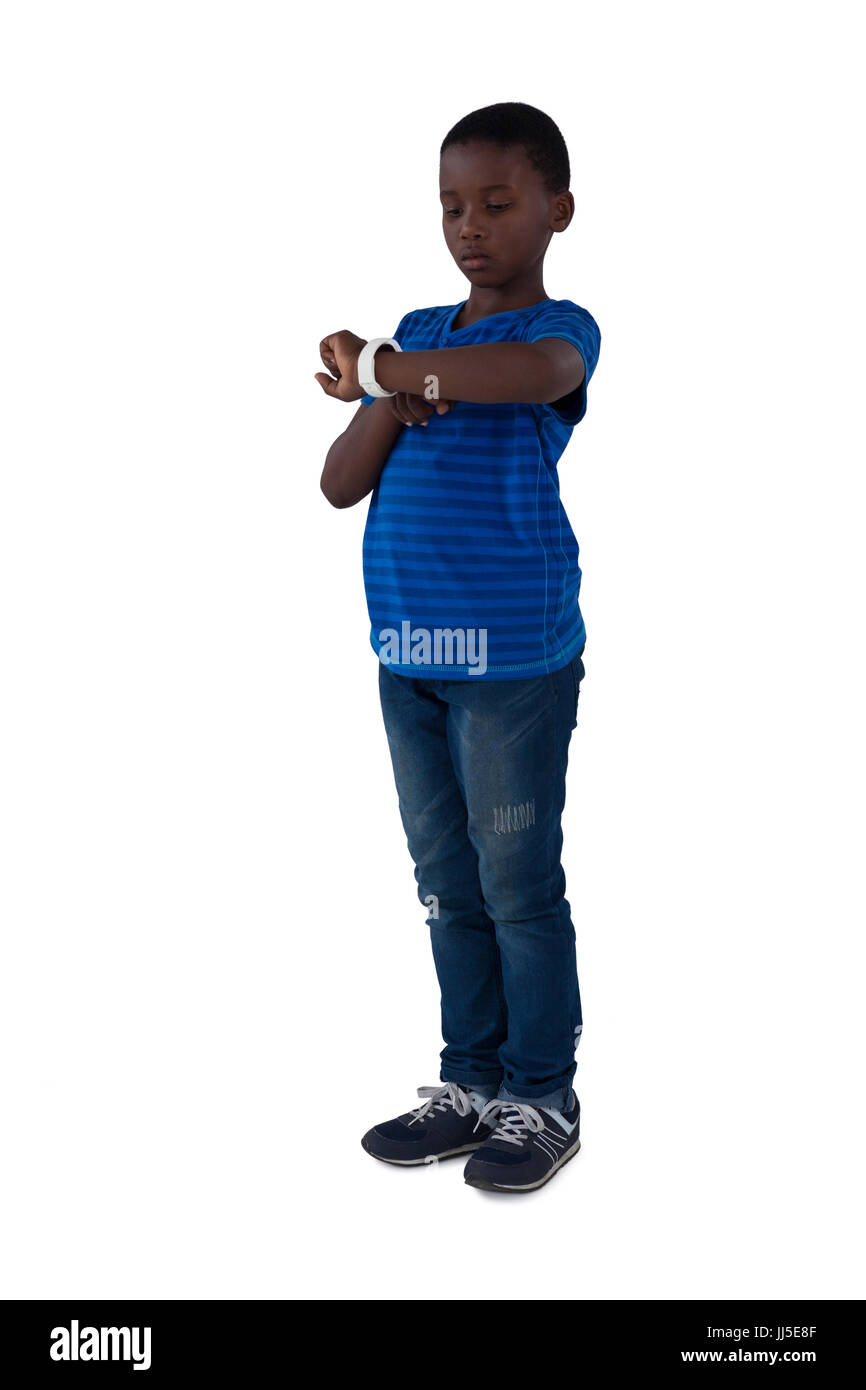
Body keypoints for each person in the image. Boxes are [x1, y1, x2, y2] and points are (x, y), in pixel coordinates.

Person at [316, 102, 601, 1193]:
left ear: (554, 210)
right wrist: (392, 380)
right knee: (445, 881)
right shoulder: (420, 336)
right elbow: (340, 483)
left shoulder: (559, 330)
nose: (468, 225)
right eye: (450, 205)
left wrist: (398, 370)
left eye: (495, 202)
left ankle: (542, 1093)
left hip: (511, 669)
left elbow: (529, 379)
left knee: (516, 883)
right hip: (409, 660)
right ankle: (469, 1079)